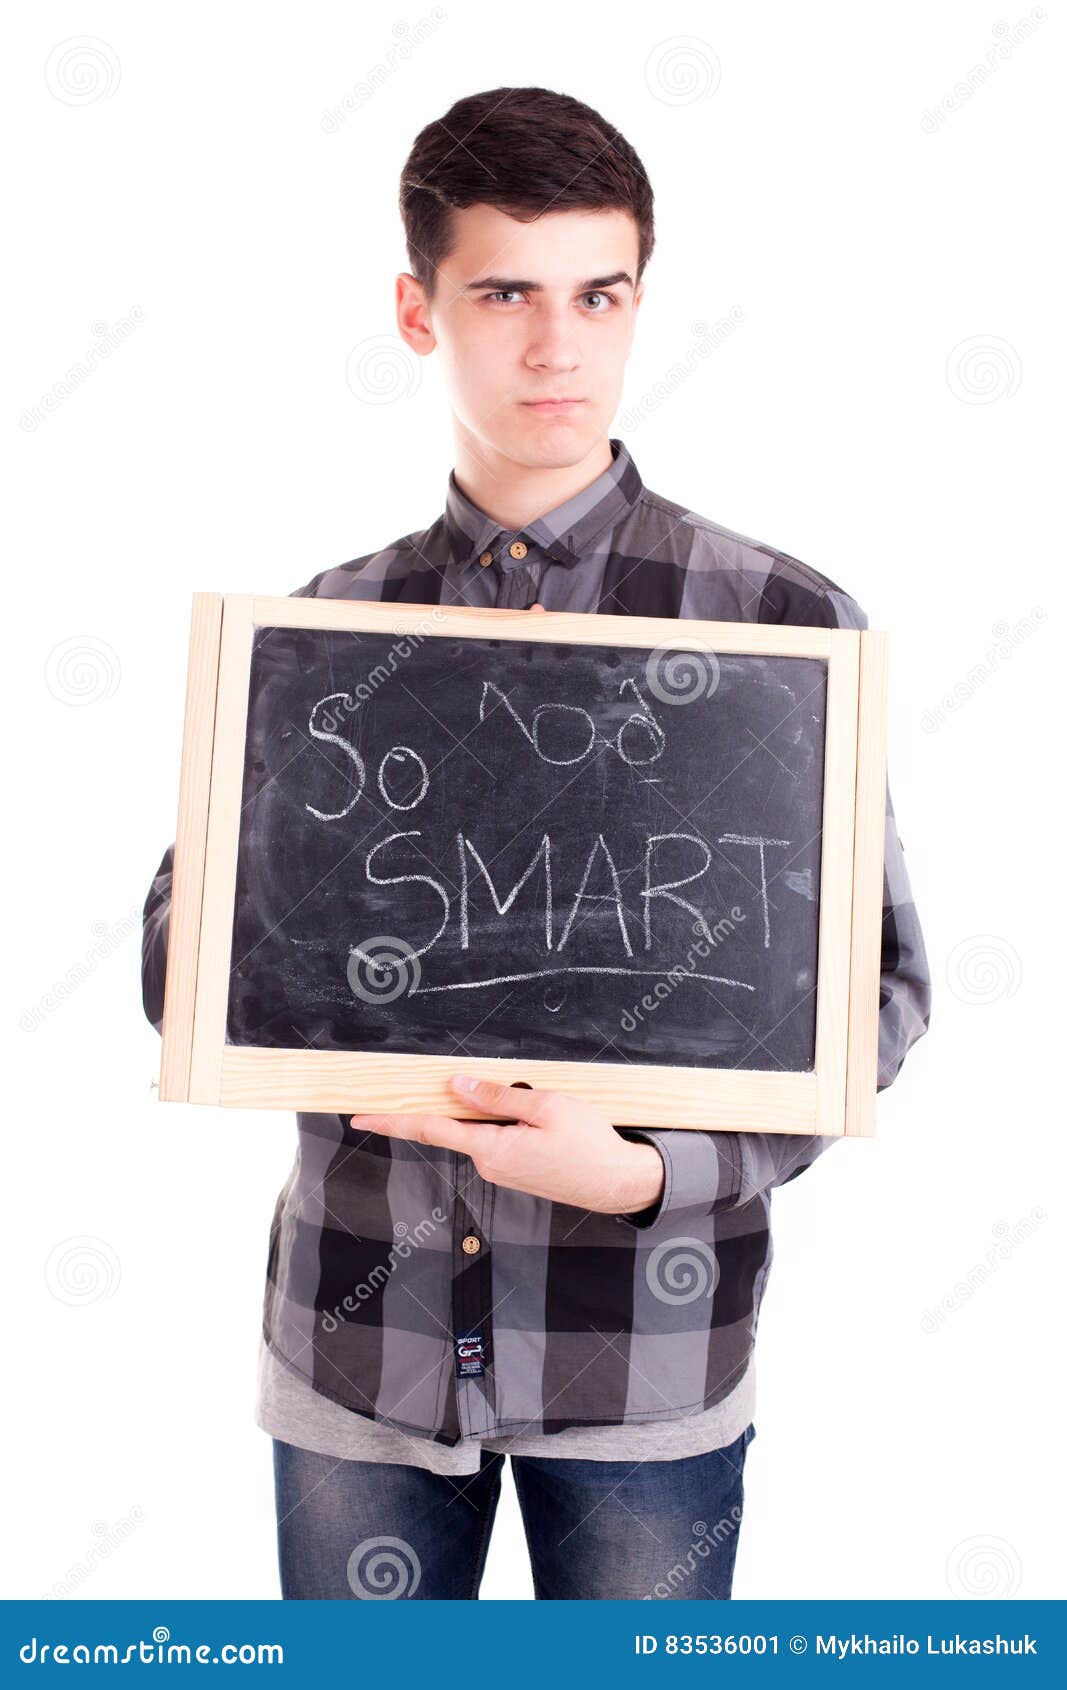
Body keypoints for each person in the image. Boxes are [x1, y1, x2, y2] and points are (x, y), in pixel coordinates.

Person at [141, 85, 932, 1601]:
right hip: (359, 1344)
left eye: (598, 295)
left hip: (646, 1353)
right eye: (505, 293)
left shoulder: (779, 625)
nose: (557, 346)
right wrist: (260, 911)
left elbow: (876, 999)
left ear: (639, 305)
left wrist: (644, 1174)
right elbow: (179, 966)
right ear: (419, 310)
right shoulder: (323, 630)